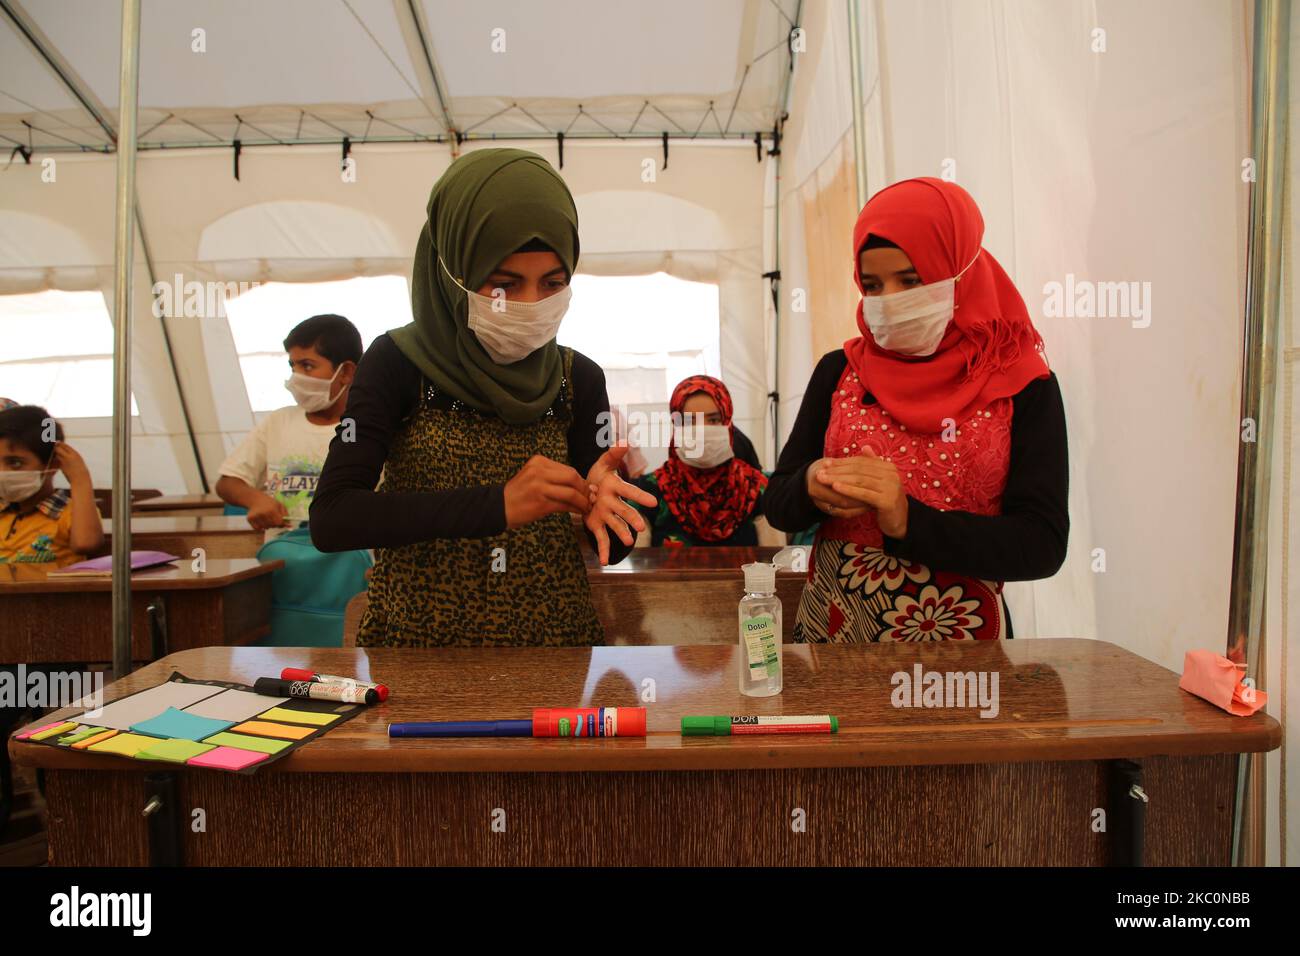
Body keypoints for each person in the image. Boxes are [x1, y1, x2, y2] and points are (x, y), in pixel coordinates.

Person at [310, 148, 656, 647]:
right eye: (503, 284)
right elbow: (333, 519)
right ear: (452, 272)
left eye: (552, 284)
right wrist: (497, 505)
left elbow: (612, 549)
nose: (530, 306)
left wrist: (606, 510)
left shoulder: (578, 377)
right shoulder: (396, 363)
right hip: (418, 652)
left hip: (555, 651)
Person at [763, 177, 1068, 641]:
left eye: (911, 280)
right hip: (834, 642)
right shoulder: (839, 372)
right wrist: (811, 486)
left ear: (960, 271)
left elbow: (1042, 544)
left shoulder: (1020, 385)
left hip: (963, 656)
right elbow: (778, 504)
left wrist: (910, 521)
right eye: (872, 285)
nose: (888, 302)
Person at [216, 314, 361, 529]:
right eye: (293, 366)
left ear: (346, 372)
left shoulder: (365, 427)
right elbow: (228, 482)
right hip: (282, 552)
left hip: (347, 557)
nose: (296, 377)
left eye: (308, 366)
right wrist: (257, 500)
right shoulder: (278, 422)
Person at [631, 375, 767, 547]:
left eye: (713, 420)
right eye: (689, 421)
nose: (702, 430)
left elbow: (777, 565)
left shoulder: (757, 488)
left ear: (728, 423)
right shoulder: (648, 493)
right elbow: (636, 566)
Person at [0, 403, 103, 567]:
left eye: (15, 462)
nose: (3, 472)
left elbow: (85, 543)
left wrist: (80, 480)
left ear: (53, 464)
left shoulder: (71, 513)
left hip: (51, 593)